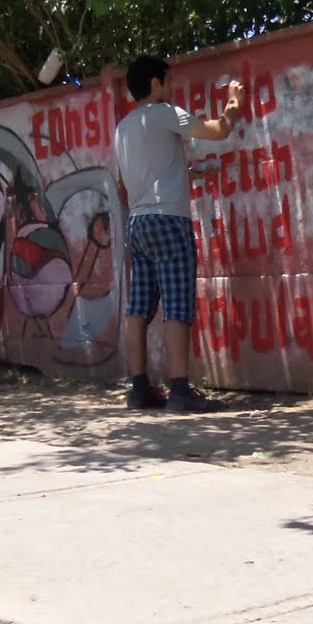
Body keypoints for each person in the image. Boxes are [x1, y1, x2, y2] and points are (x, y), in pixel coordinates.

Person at [114, 56, 246, 412]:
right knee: (178, 305)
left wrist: (182, 174)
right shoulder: (164, 113)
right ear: (155, 83)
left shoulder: (123, 128)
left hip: (138, 224)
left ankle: (139, 388)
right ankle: (180, 391)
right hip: (169, 220)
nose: (172, 87)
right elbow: (219, 130)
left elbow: (127, 181)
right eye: (168, 81)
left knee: (138, 308)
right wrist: (234, 102)